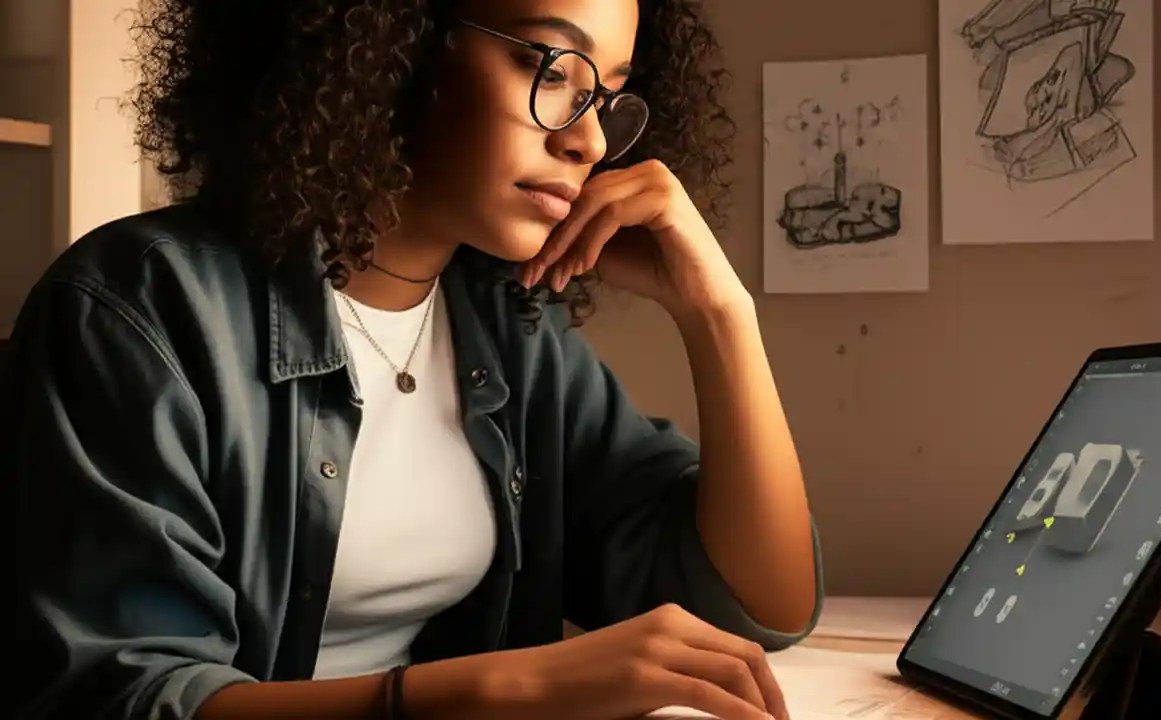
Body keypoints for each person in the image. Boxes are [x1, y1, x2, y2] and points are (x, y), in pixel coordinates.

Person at [3, 0, 823, 718]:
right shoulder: (140, 310)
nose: (589, 139)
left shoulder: (505, 329)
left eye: (605, 95)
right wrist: (502, 691)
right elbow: (122, 696)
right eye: (550, 67)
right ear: (398, 48)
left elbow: (759, 607)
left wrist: (719, 315)